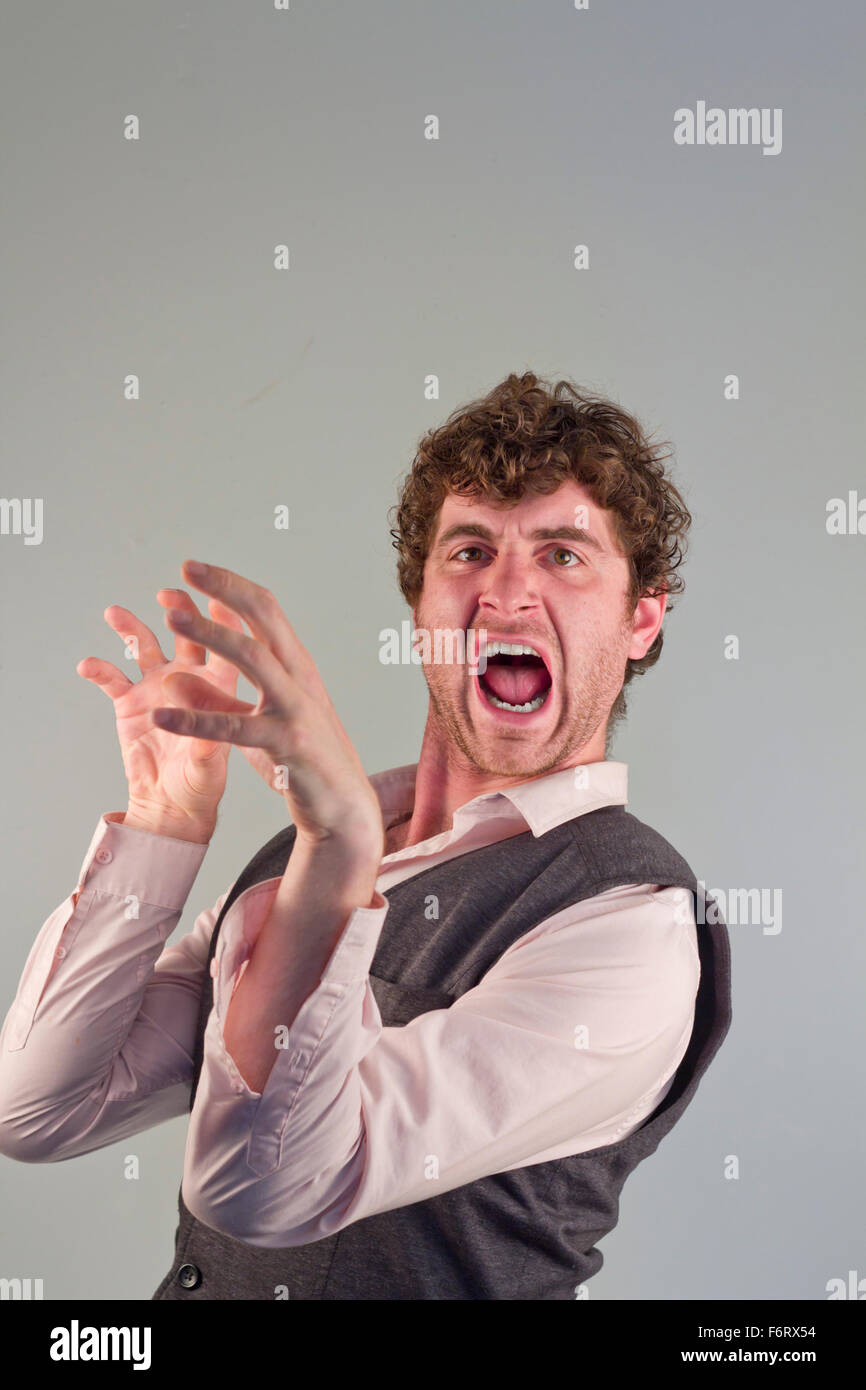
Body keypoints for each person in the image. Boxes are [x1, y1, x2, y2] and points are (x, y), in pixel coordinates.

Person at [0, 371, 731, 1300]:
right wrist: (165, 825)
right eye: (469, 551)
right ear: (421, 610)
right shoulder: (301, 854)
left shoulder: (633, 925)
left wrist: (340, 853)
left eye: (564, 556)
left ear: (642, 618)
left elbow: (264, 1194)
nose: (507, 592)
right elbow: (39, 1111)